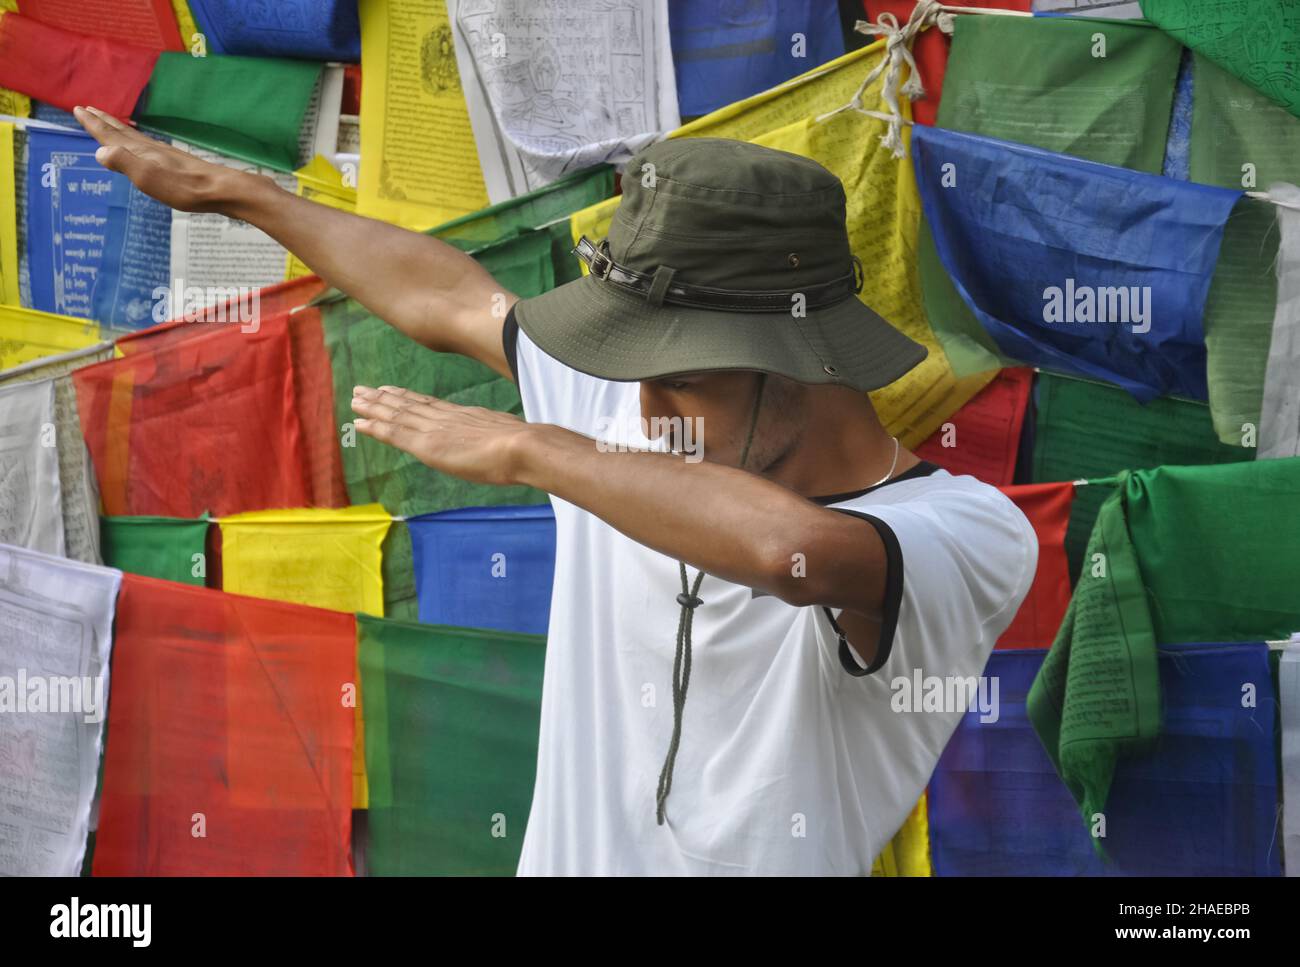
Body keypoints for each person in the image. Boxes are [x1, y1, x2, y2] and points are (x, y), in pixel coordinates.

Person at [74, 106, 1038, 876]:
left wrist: (538, 451)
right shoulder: (629, 412)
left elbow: (795, 555)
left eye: (680, 376)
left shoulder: (965, 532)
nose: (644, 403)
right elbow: (449, 299)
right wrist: (243, 196)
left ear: (798, 365)